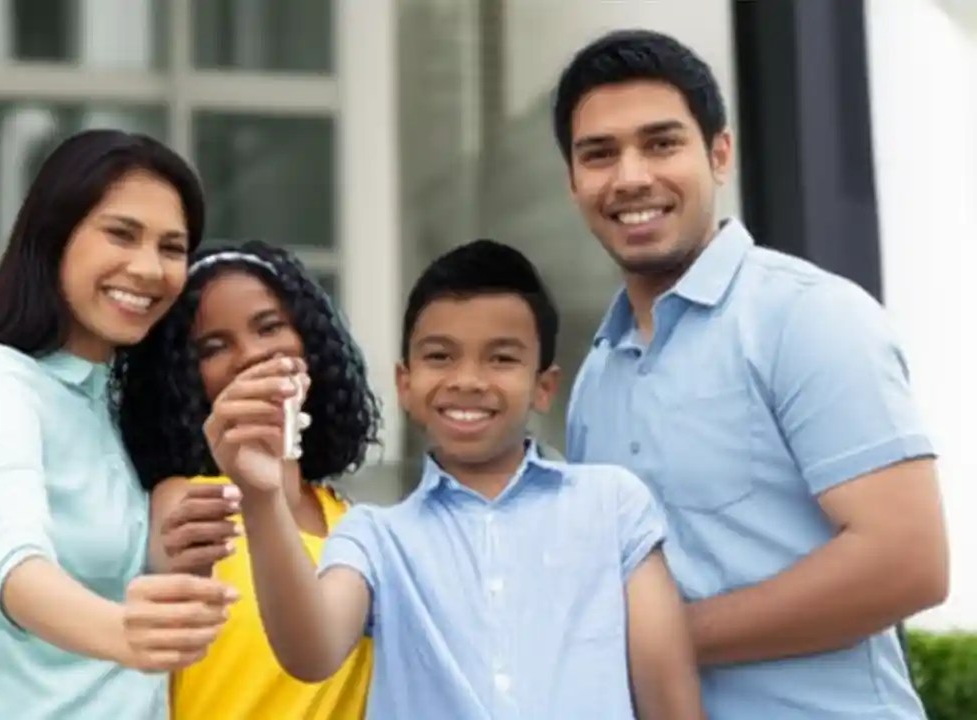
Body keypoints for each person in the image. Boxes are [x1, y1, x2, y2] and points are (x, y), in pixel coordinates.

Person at [555, 29, 949, 719]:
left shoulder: (806, 318)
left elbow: (908, 561)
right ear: (574, 182)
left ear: (720, 154)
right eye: (599, 154)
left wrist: (665, 638)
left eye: (661, 143)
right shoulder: (598, 375)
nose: (631, 177)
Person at [202, 239, 705, 719]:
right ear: (405, 383)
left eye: (502, 358)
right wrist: (261, 498)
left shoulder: (613, 505)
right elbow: (310, 654)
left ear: (544, 387)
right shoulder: (374, 537)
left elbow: (669, 697)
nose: (467, 380)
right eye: (440, 356)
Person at [0, 130, 236, 720]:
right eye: (121, 234)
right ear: (55, 237)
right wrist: (129, 632)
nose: (148, 268)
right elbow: (14, 569)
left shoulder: (119, 408)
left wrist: (179, 554)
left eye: (172, 247)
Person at [119, 240, 380, 719]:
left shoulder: (352, 520)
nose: (251, 354)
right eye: (213, 348)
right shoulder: (185, 499)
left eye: (269, 327)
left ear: (309, 342)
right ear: (184, 378)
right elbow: (173, 568)